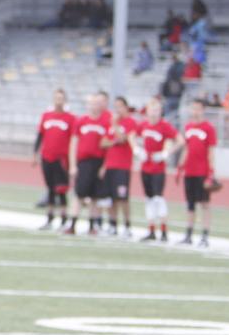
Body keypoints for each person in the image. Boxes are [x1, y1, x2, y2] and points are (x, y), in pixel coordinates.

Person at [132, 97, 178, 242]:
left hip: (158, 168)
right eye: (151, 110)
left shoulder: (165, 126)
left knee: (159, 198)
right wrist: (136, 149)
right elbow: (131, 135)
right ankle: (151, 229)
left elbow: (179, 140)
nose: (153, 113)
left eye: (156, 110)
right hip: (146, 167)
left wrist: (166, 153)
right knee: (149, 199)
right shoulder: (144, 125)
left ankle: (163, 230)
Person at [65, 91, 110, 235]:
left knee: (95, 196)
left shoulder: (105, 122)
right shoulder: (81, 121)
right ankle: (72, 224)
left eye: (96, 104)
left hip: (98, 161)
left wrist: (105, 165)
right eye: (91, 104)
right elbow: (74, 143)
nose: (94, 106)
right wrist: (72, 164)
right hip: (84, 162)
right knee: (79, 194)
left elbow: (108, 146)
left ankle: (92, 225)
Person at [175, 99, 218, 246]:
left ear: (203, 110)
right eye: (193, 108)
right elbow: (186, 149)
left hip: (202, 172)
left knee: (205, 204)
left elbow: (211, 151)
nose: (195, 112)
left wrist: (211, 172)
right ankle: (188, 234)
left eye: (198, 109)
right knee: (190, 204)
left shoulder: (208, 128)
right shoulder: (188, 127)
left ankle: (205, 235)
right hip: (190, 172)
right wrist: (180, 166)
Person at [33, 88, 76, 230]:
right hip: (47, 157)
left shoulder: (70, 118)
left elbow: (74, 140)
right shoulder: (46, 116)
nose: (59, 101)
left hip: (62, 159)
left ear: (65, 100)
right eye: (56, 98)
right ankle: (49, 218)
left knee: (62, 189)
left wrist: (72, 161)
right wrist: (35, 153)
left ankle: (64, 219)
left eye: (61, 98)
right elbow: (40, 135)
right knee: (50, 188)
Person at [101, 96, 136, 237]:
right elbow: (103, 143)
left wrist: (115, 126)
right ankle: (113, 224)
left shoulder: (129, 122)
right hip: (110, 165)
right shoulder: (110, 124)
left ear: (126, 107)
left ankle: (127, 225)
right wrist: (114, 140)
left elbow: (122, 139)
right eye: (115, 107)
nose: (117, 110)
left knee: (122, 198)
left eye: (120, 106)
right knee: (110, 198)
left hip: (123, 166)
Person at [161, 53, 186, 126]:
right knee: (175, 115)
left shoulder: (172, 70)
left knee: (170, 115)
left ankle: (170, 129)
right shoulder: (179, 69)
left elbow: (164, 88)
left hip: (171, 98)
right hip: (175, 98)